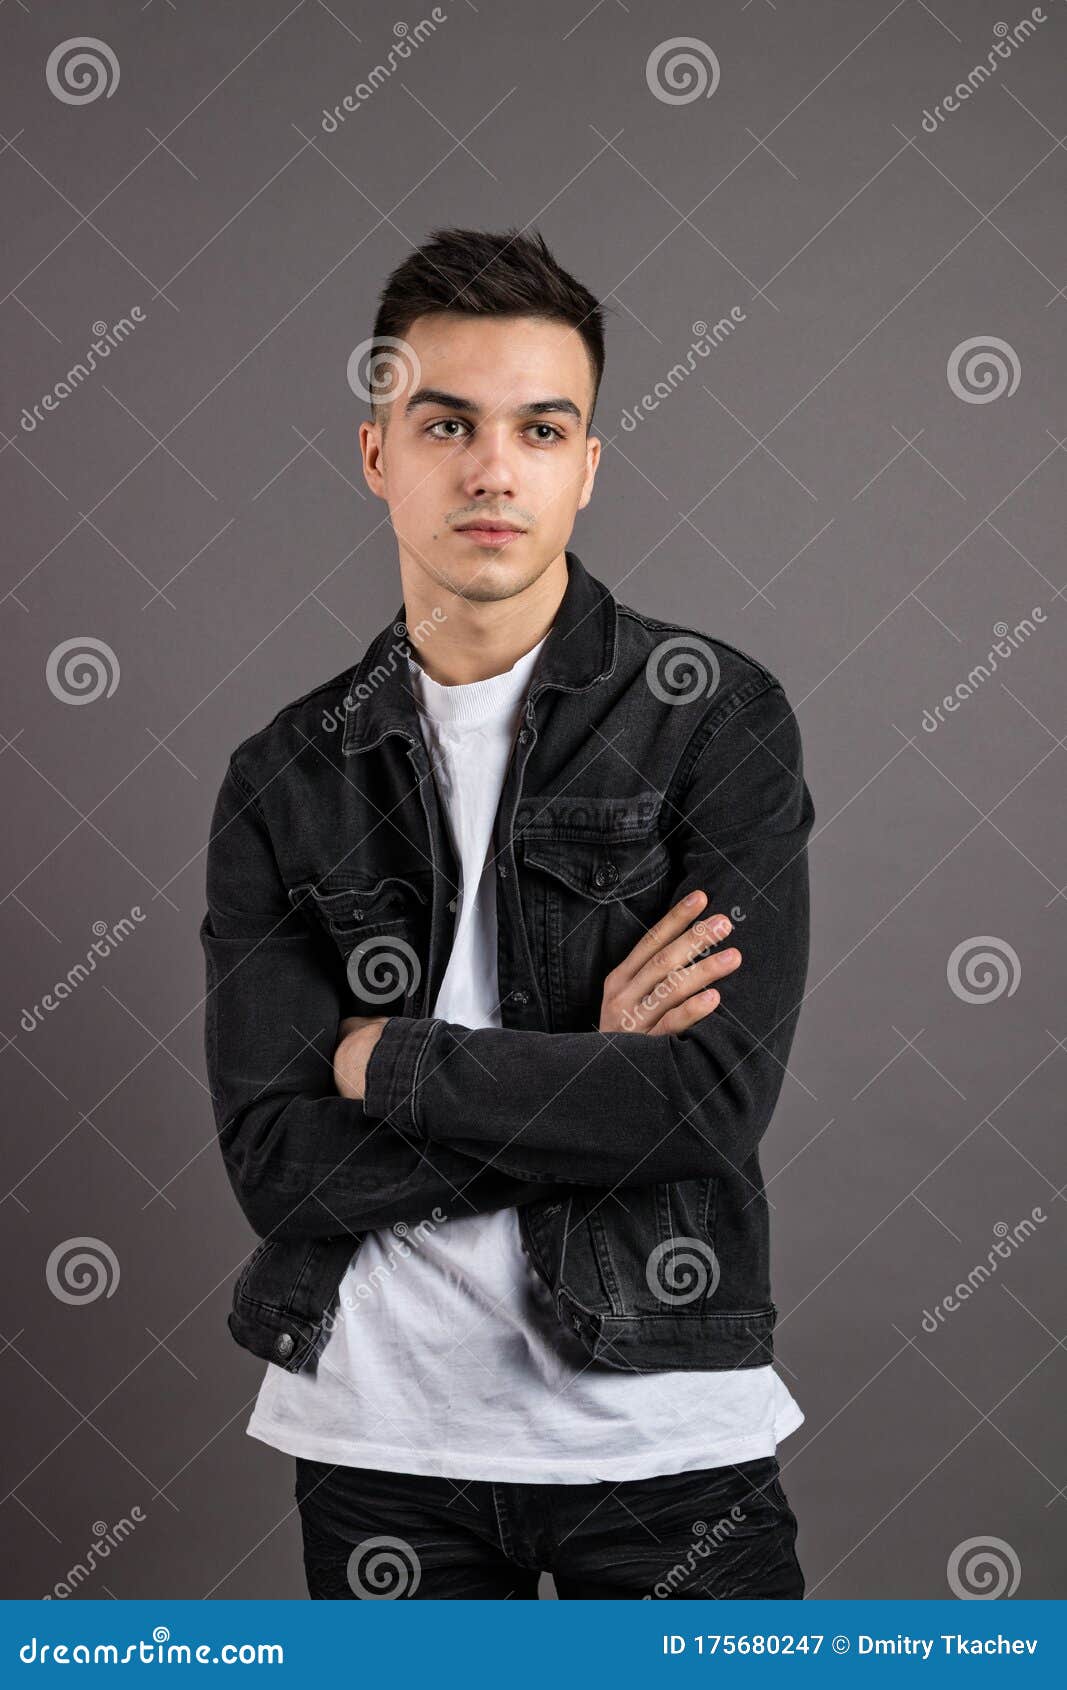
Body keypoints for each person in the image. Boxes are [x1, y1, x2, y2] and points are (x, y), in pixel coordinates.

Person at [201, 226, 815, 1599]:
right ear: (379, 454)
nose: (492, 469)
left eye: (541, 428)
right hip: (379, 1448)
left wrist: (393, 1060)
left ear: (586, 466)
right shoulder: (287, 776)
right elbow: (279, 1169)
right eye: (445, 423)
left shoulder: (715, 718)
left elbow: (706, 1101)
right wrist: (588, 1058)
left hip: (662, 1436)